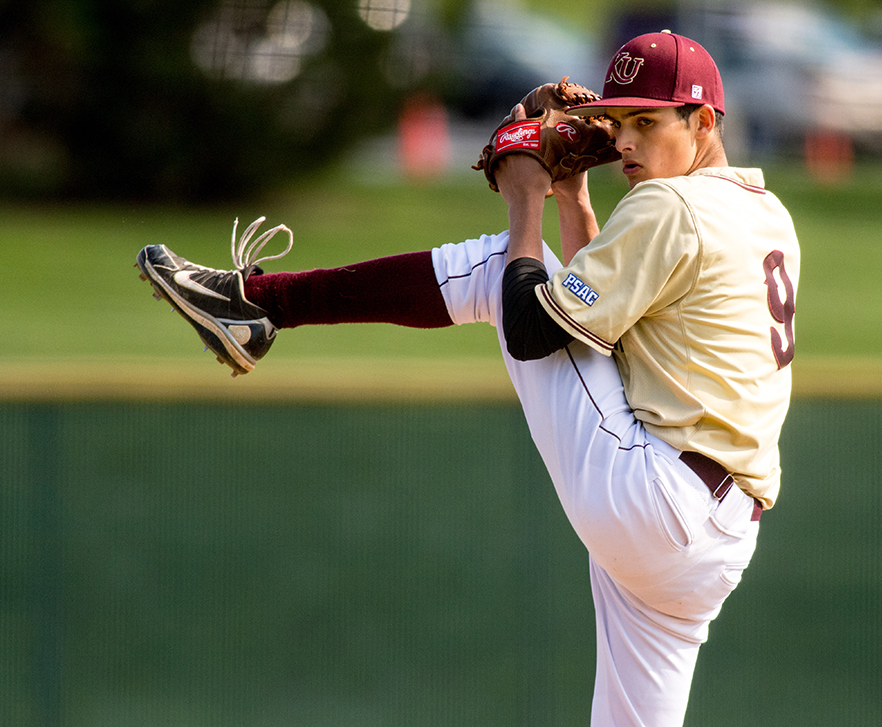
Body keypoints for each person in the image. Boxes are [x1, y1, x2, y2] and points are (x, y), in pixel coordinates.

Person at [136, 31, 800, 727]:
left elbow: (533, 328)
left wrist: (525, 200)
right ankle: (254, 308)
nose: (626, 141)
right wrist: (571, 195)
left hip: (655, 499)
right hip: (713, 543)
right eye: (620, 119)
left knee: (501, 267)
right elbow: (602, 319)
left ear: (702, 121)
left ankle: (259, 303)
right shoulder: (764, 213)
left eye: (647, 122)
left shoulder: (671, 207)